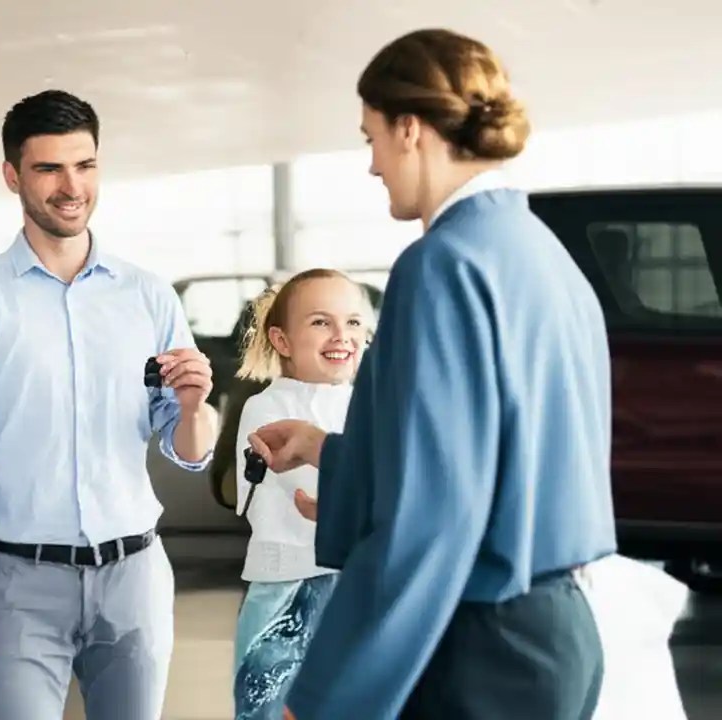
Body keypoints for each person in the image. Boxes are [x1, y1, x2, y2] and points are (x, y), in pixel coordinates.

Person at [247, 28, 617, 720]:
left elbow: (432, 517)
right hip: (556, 637)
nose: (373, 166)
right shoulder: (545, 255)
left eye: (371, 138)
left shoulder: (440, 266)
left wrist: (327, 693)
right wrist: (329, 452)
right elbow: (489, 459)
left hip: (479, 647)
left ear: (410, 128)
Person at [0, 89, 216, 720]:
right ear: (12, 176)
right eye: (49, 168)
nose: (70, 185)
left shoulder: (148, 296)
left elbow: (186, 448)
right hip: (17, 583)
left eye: (84, 165)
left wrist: (193, 409)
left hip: (134, 575)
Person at [230, 270, 371, 719]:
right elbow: (316, 492)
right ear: (282, 340)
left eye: (352, 322)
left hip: (357, 588)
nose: (341, 336)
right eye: (320, 322)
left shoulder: (367, 403)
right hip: (286, 592)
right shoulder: (267, 408)